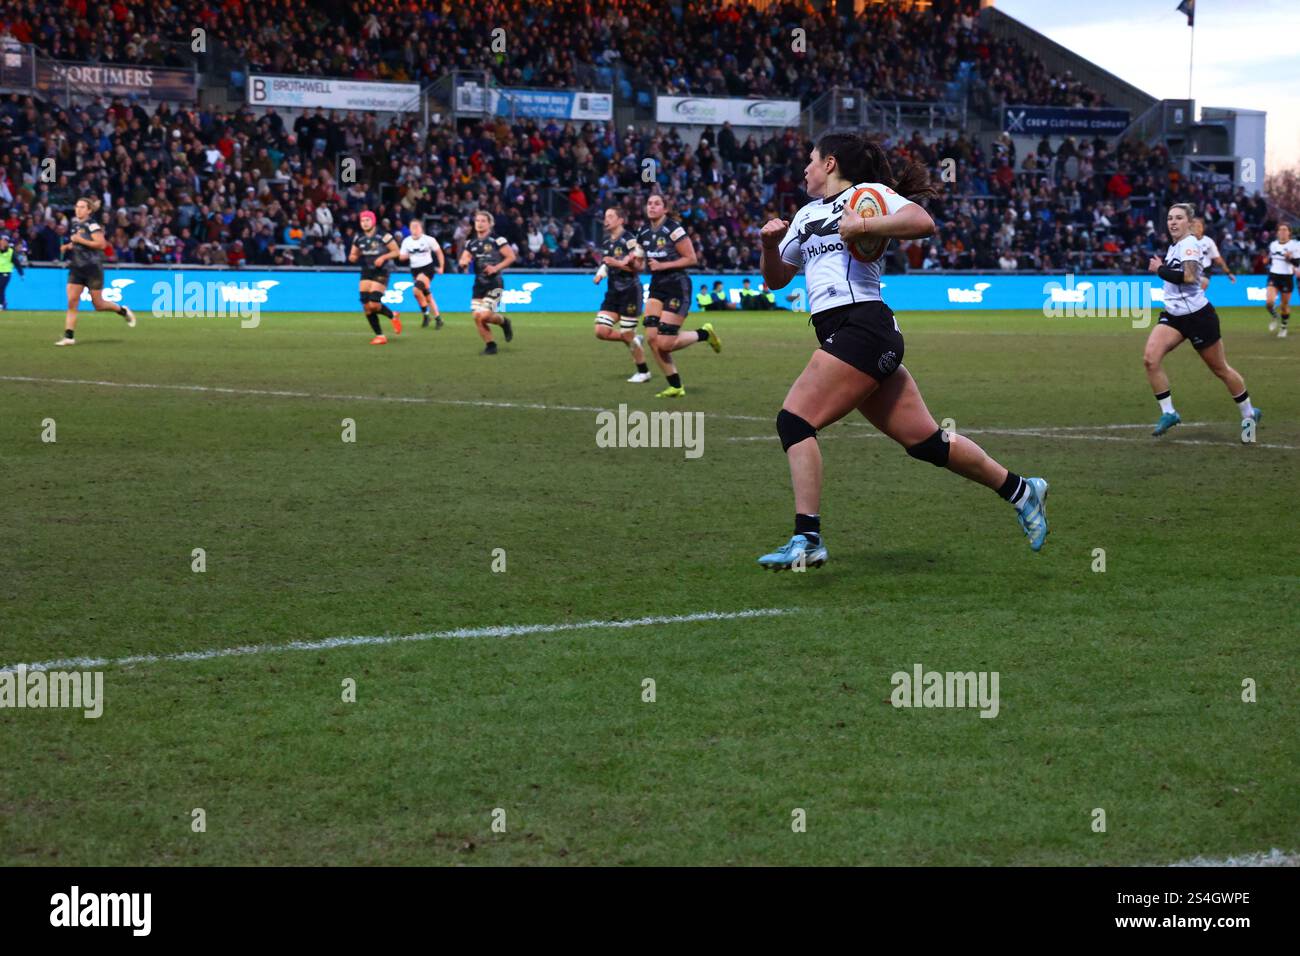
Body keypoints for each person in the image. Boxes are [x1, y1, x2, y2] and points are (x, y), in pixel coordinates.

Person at [756, 133, 1049, 570]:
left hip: (862, 325)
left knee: (794, 421)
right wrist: (767, 245)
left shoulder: (868, 196)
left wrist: (865, 226)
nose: (804, 168)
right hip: (847, 332)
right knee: (928, 442)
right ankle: (1022, 490)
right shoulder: (803, 216)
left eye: (810, 160)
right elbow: (777, 280)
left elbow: (922, 222)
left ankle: (808, 537)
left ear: (830, 163)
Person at [1143, 203, 1261, 442]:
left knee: (1221, 370)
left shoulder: (1189, 245)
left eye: (1178, 218)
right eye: (1170, 218)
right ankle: (1169, 413)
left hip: (1198, 317)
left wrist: (1160, 269)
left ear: (1189, 222)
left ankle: (1249, 414)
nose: (1173, 222)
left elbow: (1187, 278)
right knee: (1150, 359)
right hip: (1174, 315)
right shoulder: (1175, 245)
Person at [634, 194, 720, 398]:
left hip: (677, 285)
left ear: (665, 209)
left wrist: (663, 265)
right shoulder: (642, 232)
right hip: (657, 285)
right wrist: (629, 263)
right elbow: (638, 264)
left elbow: (691, 258)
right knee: (652, 338)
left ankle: (704, 334)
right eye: (649, 203)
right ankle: (675, 385)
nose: (652, 206)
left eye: (656, 203)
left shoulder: (673, 229)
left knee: (665, 343)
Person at [55, 197, 136, 345]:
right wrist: (68, 246)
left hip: (93, 268)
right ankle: (69, 337)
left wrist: (80, 241)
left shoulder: (92, 225)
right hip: (76, 268)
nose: (78, 209)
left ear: (89, 210)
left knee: (98, 305)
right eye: (77, 206)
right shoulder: (75, 225)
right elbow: (77, 242)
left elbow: (101, 244)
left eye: (82, 207)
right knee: (72, 302)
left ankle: (123, 310)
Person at [592, 206, 651, 382]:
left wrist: (616, 264)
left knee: (626, 333)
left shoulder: (630, 240)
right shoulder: (606, 242)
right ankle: (633, 338)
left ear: (620, 220)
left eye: (610, 216)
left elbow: (639, 268)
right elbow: (606, 262)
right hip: (613, 292)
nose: (606, 219)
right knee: (601, 331)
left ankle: (643, 372)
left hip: (630, 292)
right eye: (605, 216)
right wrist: (601, 273)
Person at [458, 210, 516, 355]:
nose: (480, 223)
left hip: (494, 282)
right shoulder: (471, 243)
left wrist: (495, 267)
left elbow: (511, 257)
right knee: (477, 317)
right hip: (479, 284)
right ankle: (491, 346)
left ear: (490, 224)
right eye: (477, 220)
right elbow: (464, 258)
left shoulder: (497, 240)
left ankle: (504, 322)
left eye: (483, 221)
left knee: (484, 315)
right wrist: (463, 263)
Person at [348, 209, 402, 345]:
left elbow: (396, 252)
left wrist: (383, 257)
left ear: (373, 221)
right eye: (362, 220)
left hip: (381, 270)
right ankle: (380, 335)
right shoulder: (358, 237)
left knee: (374, 303)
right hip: (366, 270)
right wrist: (353, 257)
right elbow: (353, 255)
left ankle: (392, 315)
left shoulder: (383, 235)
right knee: (366, 305)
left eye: (367, 220)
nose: (365, 223)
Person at [398, 218, 445, 329]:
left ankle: (427, 315)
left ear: (421, 228)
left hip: (427, 268)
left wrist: (442, 267)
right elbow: (401, 257)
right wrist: (409, 254)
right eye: (412, 227)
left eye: (417, 226)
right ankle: (436, 318)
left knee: (416, 290)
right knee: (426, 295)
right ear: (409, 229)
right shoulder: (407, 241)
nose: (414, 229)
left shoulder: (429, 240)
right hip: (415, 269)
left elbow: (439, 252)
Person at [1264, 222, 1299, 338]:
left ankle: (1283, 327)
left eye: (1285, 230)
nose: (1282, 232)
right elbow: (1271, 259)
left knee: (1284, 306)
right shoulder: (1273, 245)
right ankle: (1274, 316)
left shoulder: (1295, 245)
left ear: (1289, 232)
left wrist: (1290, 258)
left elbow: (1297, 263)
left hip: (1287, 277)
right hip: (1274, 275)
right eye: (1280, 230)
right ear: (1277, 232)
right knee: (1269, 302)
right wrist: (1266, 261)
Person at [0, 233, 23, 309]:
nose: (2, 242)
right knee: (1, 289)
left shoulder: (10, 252)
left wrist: (21, 273)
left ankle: (1, 304)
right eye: (1, 240)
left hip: (6, 273)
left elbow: (17, 263)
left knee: (0, 288)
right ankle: (4, 303)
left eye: (4, 241)